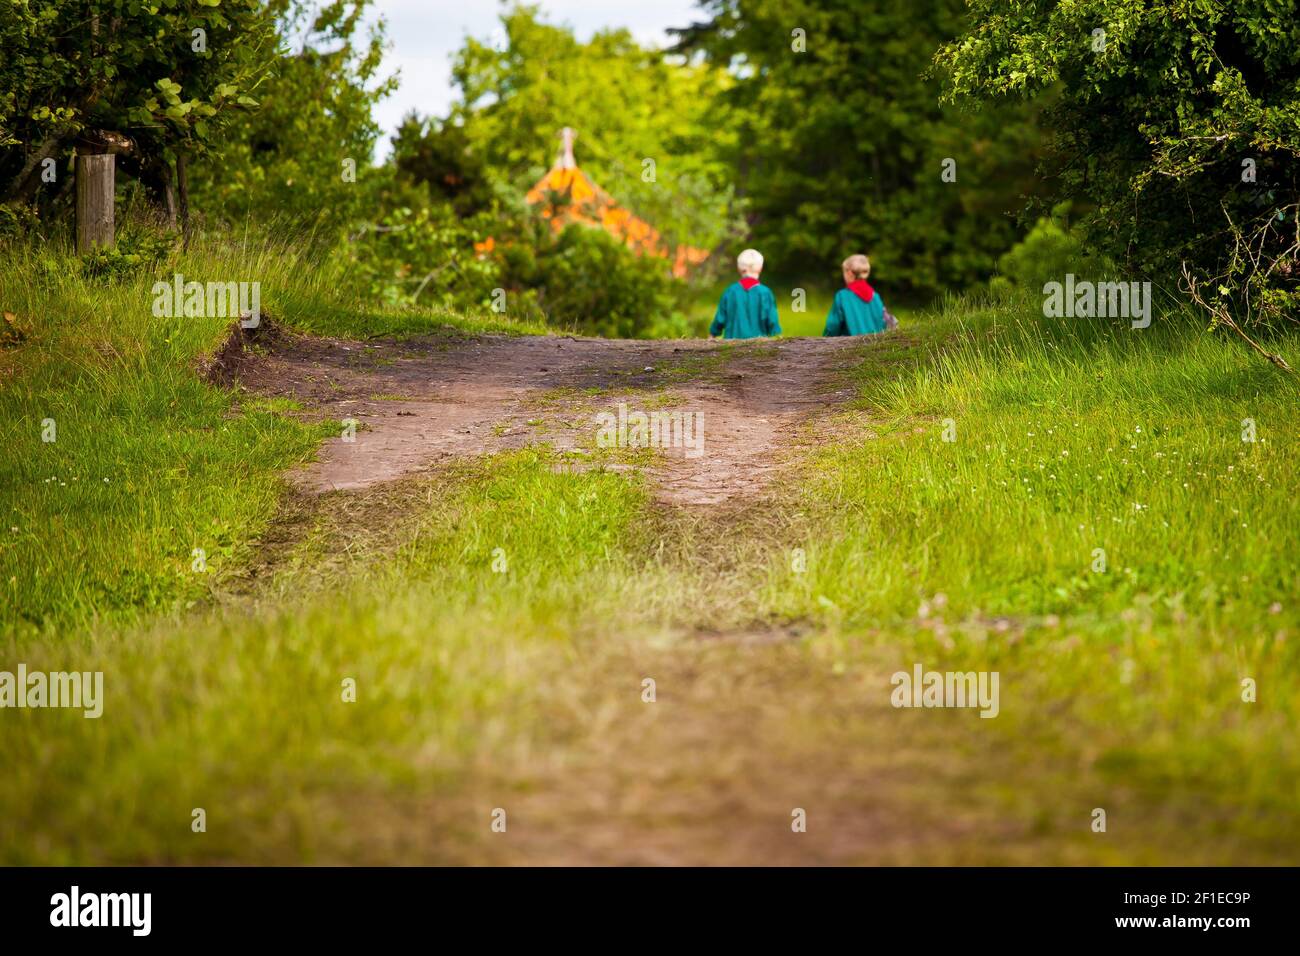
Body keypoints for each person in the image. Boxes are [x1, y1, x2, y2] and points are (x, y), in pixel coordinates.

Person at [709, 249, 781, 340]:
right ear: (760, 268)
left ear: (739, 269)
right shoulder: (765, 293)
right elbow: (772, 322)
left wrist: (712, 335)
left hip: (730, 347)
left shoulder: (730, 292)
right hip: (760, 348)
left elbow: (719, 320)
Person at [823, 253, 890, 336]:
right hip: (875, 347)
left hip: (849, 347)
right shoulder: (876, 297)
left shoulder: (842, 296)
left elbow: (832, 327)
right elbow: (883, 326)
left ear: (849, 273)